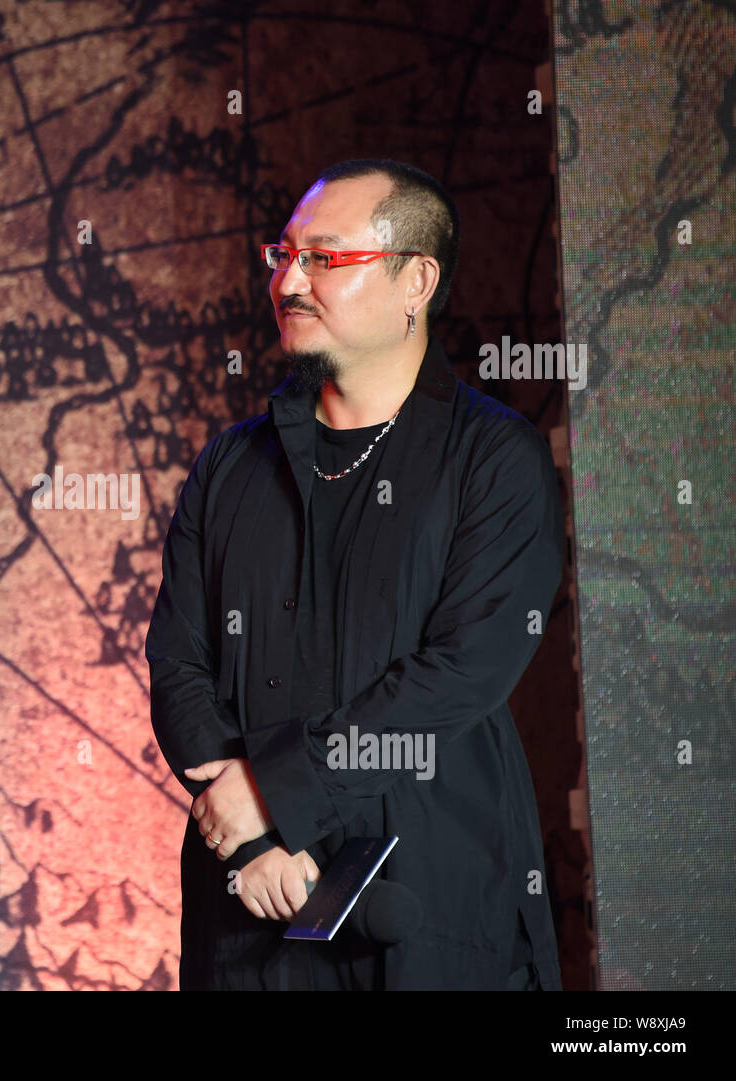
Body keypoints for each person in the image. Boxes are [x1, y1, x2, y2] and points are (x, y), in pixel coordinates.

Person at [146, 158, 564, 991]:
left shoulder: (494, 457)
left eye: (325, 259)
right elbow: (178, 664)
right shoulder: (229, 465)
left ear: (416, 280)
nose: (290, 280)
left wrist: (272, 794)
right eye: (283, 255)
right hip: (250, 911)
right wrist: (254, 837)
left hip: (429, 906)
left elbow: (461, 671)